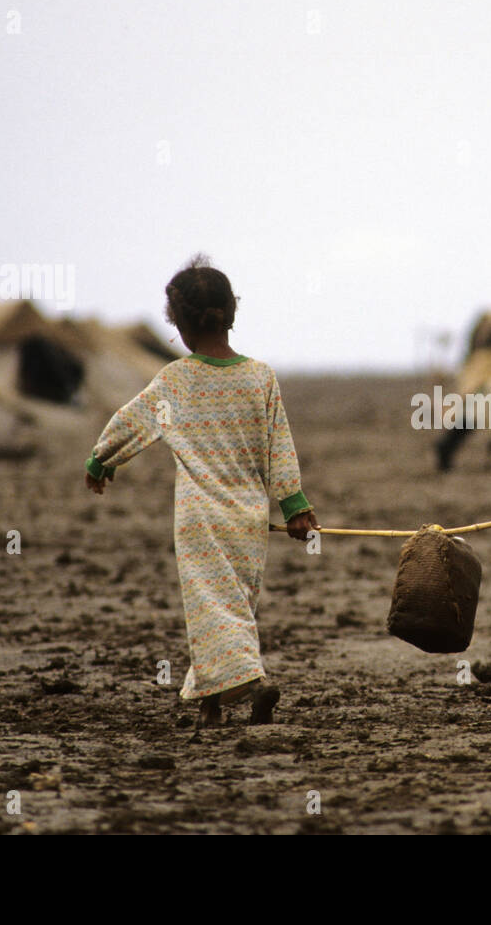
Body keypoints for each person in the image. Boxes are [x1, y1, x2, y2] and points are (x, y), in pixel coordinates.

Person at [83, 254, 319, 728]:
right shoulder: (261, 378)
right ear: (230, 315)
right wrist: (294, 506)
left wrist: (101, 460)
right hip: (249, 520)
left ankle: (250, 680)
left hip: (199, 521)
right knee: (234, 606)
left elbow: (132, 421)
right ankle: (211, 707)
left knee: (210, 608)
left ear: (181, 326)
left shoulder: (176, 380)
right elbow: (281, 450)